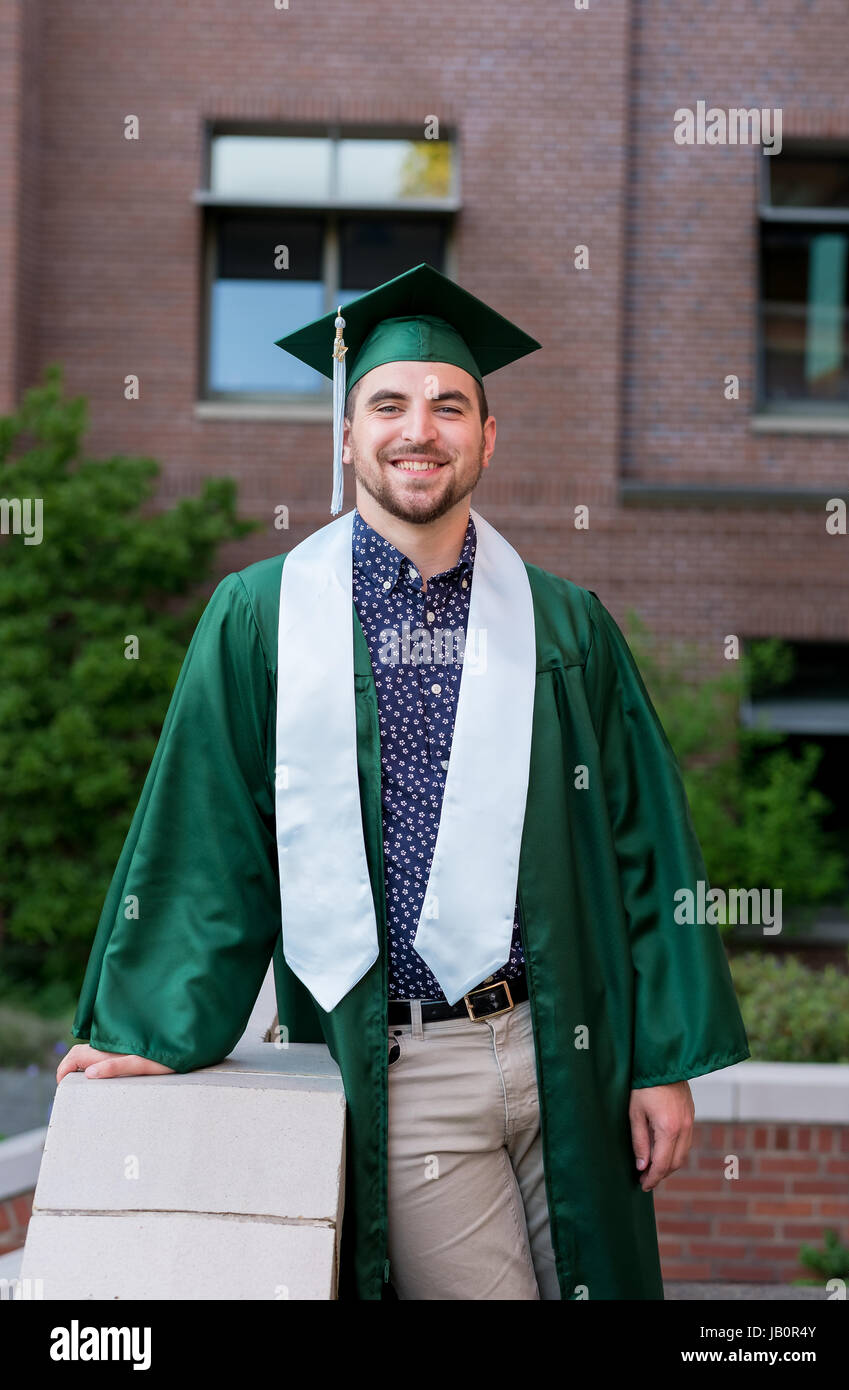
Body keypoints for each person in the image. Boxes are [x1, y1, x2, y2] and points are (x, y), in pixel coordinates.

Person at [58, 262, 750, 1301]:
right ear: (346, 434)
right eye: (386, 403)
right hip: (408, 1069)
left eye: (447, 404)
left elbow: (643, 840)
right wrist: (149, 1027)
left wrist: (659, 1060)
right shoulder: (262, 618)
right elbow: (205, 836)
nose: (416, 429)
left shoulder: (565, 625)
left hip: (566, 1051)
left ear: (485, 435)